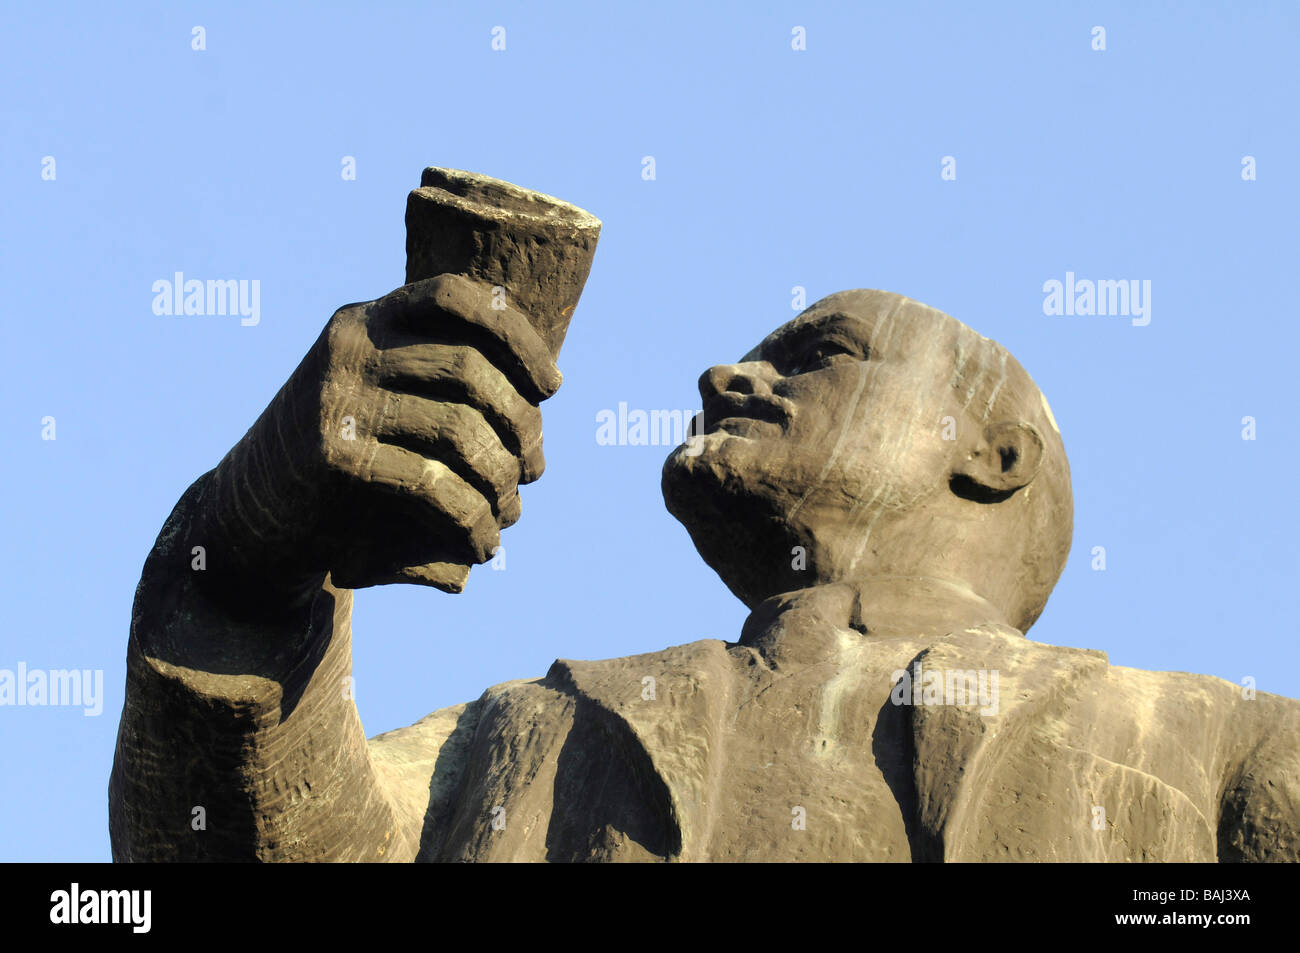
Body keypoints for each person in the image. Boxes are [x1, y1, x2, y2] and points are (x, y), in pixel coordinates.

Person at [110, 280, 1300, 862]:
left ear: (994, 456)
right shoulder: (517, 735)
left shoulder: (1226, 755)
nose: (726, 377)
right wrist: (252, 545)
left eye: (819, 356)